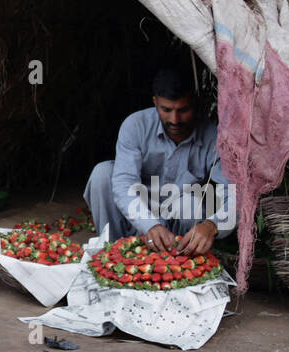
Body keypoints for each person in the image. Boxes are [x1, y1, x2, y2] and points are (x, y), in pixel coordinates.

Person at [83, 66, 234, 257]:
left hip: (182, 222)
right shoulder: (135, 125)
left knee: (191, 204)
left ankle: (181, 260)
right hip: (137, 216)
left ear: (195, 103)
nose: (175, 119)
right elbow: (123, 184)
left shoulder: (213, 136)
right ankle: (114, 252)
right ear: (155, 103)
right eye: (166, 109)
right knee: (102, 174)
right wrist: (149, 224)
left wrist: (212, 225)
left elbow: (234, 192)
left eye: (183, 110)